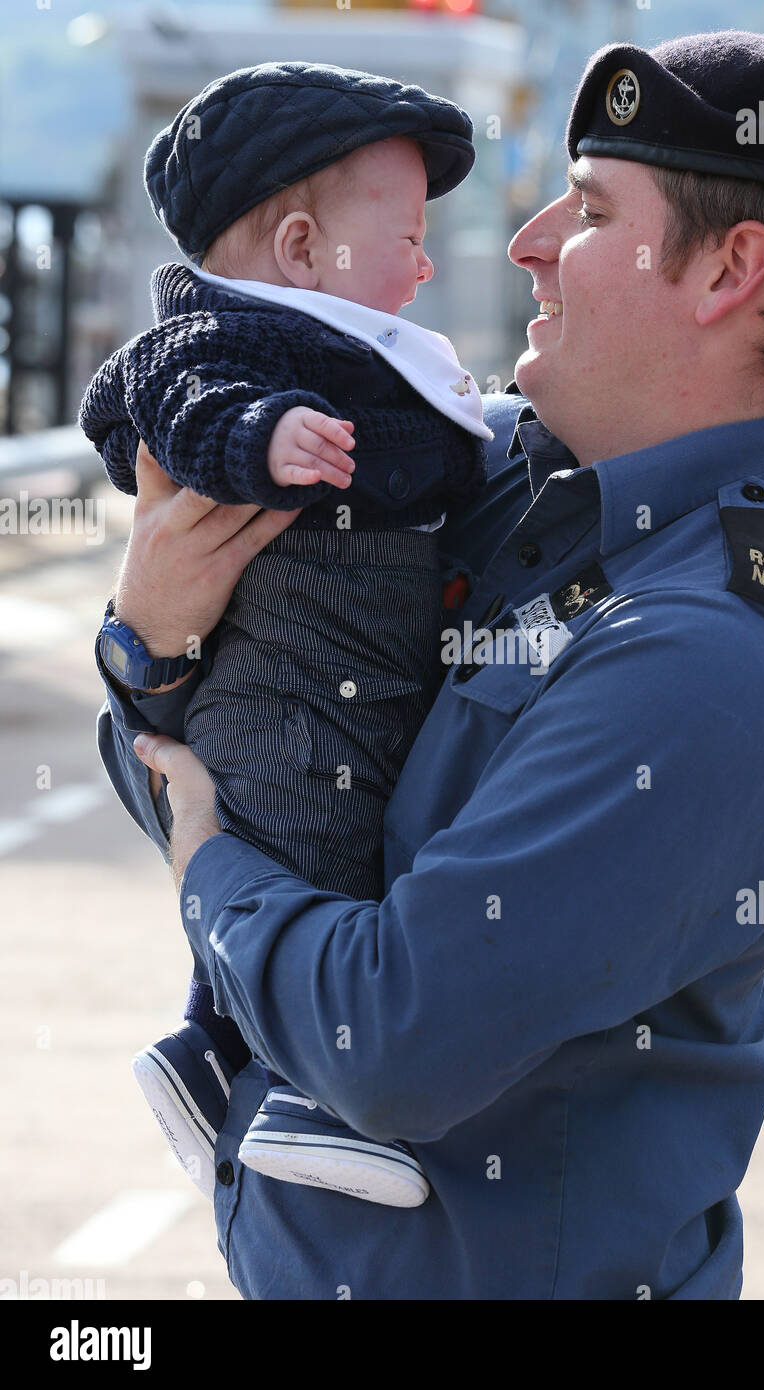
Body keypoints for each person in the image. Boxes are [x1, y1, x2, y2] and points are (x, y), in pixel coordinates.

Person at [95, 32, 764, 1298]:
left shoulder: (704, 657)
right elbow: (211, 718)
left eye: (595, 207)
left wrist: (203, 856)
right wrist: (149, 646)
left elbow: (387, 1034)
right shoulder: (480, 466)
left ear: (733, 268)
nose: (528, 239)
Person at [83, 62, 492, 1209]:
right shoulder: (236, 345)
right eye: (407, 235)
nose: (424, 260)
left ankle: (205, 1054)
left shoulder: (371, 355)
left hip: (338, 679)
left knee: (307, 850)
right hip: (293, 684)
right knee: (319, 854)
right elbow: (155, 401)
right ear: (304, 253)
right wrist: (262, 435)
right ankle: (315, 1092)